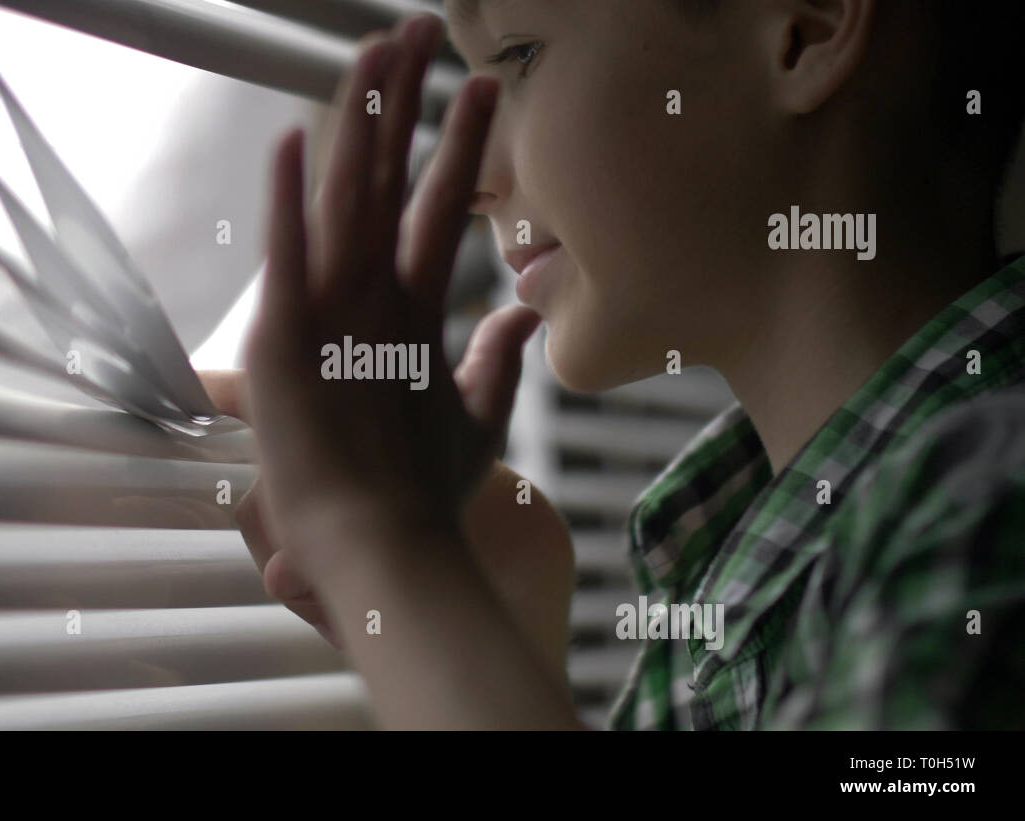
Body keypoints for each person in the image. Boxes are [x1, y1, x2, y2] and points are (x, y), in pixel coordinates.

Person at [200, 1, 1025, 730]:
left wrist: (375, 532)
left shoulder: (986, 508)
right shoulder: (762, 548)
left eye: (520, 55)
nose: (476, 184)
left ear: (803, 32)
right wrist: (494, 611)